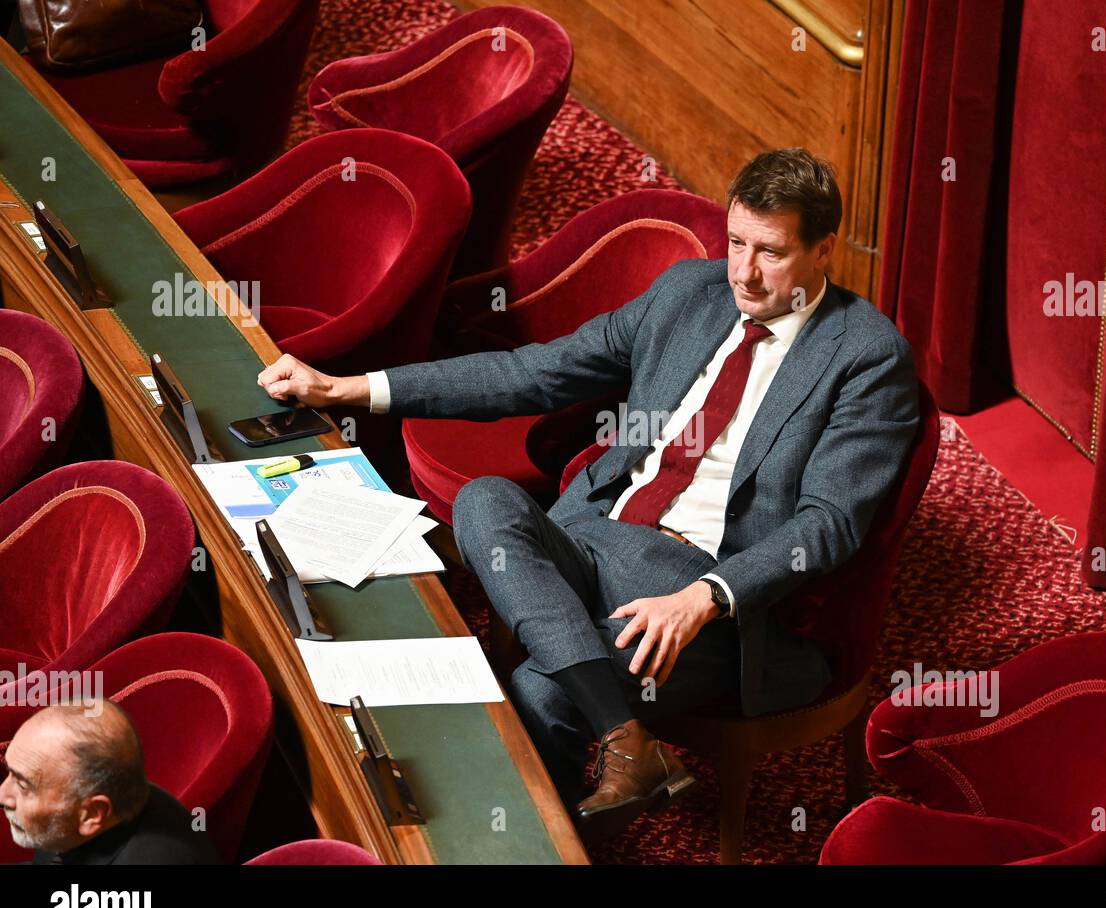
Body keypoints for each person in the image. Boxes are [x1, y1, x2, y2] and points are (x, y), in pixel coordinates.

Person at [258, 148, 920, 840]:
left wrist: (705, 597)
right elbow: (534, 372)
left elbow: (829, 525)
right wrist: (347, 389)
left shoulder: (865, 356)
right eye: (737, 244)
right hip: (596, 538)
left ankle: (541, 838)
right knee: (486, 500)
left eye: (772, 254)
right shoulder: (687, 294)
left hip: (705, 597)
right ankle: (628, 740)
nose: (745, 274)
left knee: (543, 690)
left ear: (824, 251)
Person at [1, 702, 218, 864]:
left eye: (23, 786)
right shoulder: (88, 807)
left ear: (92, 814)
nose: (2, 796)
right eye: (10, 772)